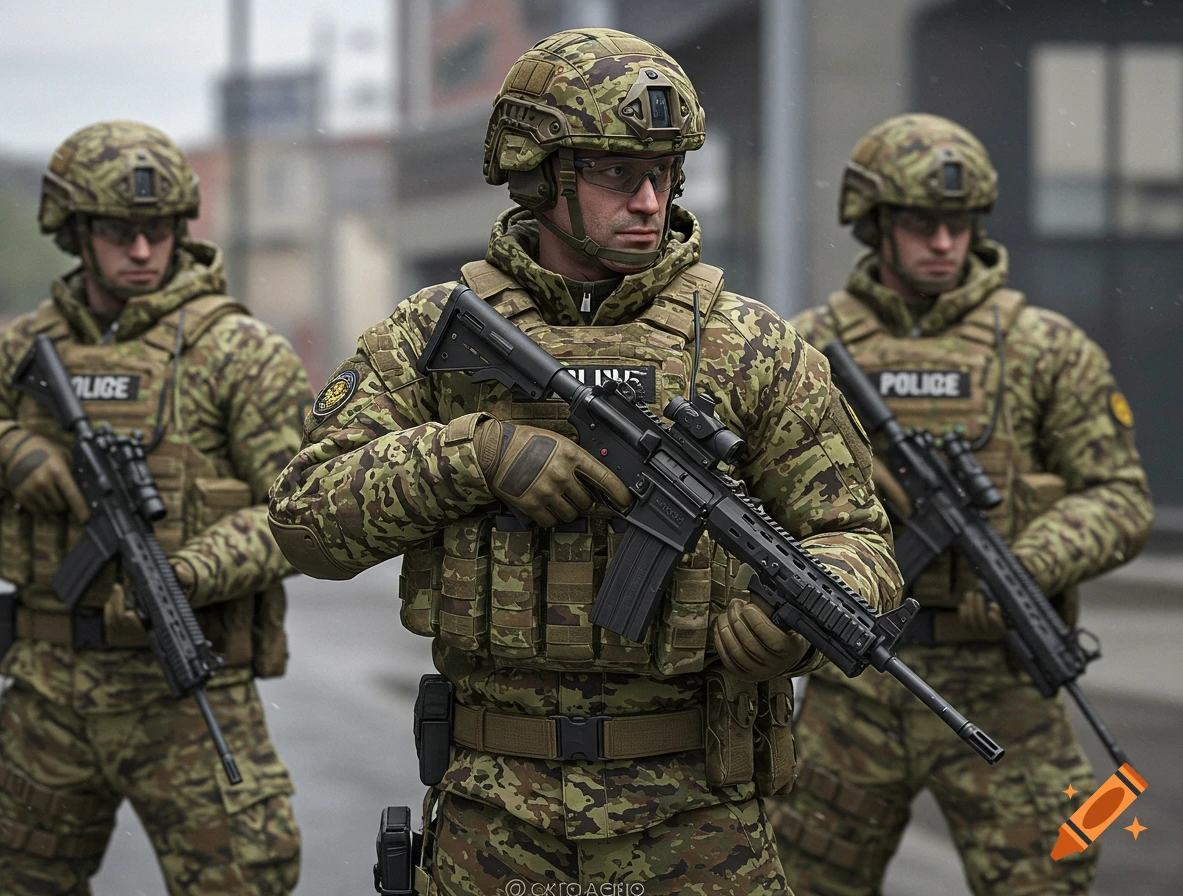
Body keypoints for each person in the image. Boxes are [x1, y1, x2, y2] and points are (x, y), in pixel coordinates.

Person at [268, 28, 901, 895]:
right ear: (539, 174)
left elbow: (858, 537)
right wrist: (473, 453)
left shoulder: (750, 345)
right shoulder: (429, 336)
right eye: (614, 173)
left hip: (701, 819)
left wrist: (802, 606)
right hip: (495, 815)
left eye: (665, 172)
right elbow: (304, 524)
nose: (650, 200)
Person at [0, 120, 307, 895]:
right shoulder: (17, 354)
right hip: (48, 690)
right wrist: (2, 453)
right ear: (75, 232)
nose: (144, 252)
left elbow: (303, 514)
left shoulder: (239, 353)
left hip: (189, 691)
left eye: (158, 231)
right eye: (121, 233)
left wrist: (190, 572)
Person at [772, 113, 1154, 895]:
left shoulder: (1043, 348)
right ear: (876, 224)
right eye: (921, 223)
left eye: (959, 224)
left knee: (1052, 873)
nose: (944, 242)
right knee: (800, 876)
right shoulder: (805, 349)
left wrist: (1029, 562)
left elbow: (1120, 496)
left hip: (1004, 676)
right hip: (858, 687)